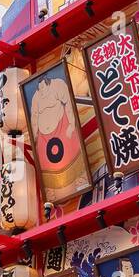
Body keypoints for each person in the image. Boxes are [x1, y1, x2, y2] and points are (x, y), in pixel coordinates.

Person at [28, 72, 90, 200]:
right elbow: (34, 119)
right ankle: (51, 193)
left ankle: (82, 180)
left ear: (47, 82)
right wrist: (34, 139)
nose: (42, 91)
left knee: (73, 151)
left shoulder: (58, 85)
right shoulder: (36, 97)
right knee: (46, 164)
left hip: (61, 125)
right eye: (39, 89)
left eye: (43, 87)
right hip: (44, 136)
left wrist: (71, 124)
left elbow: (67, 102)